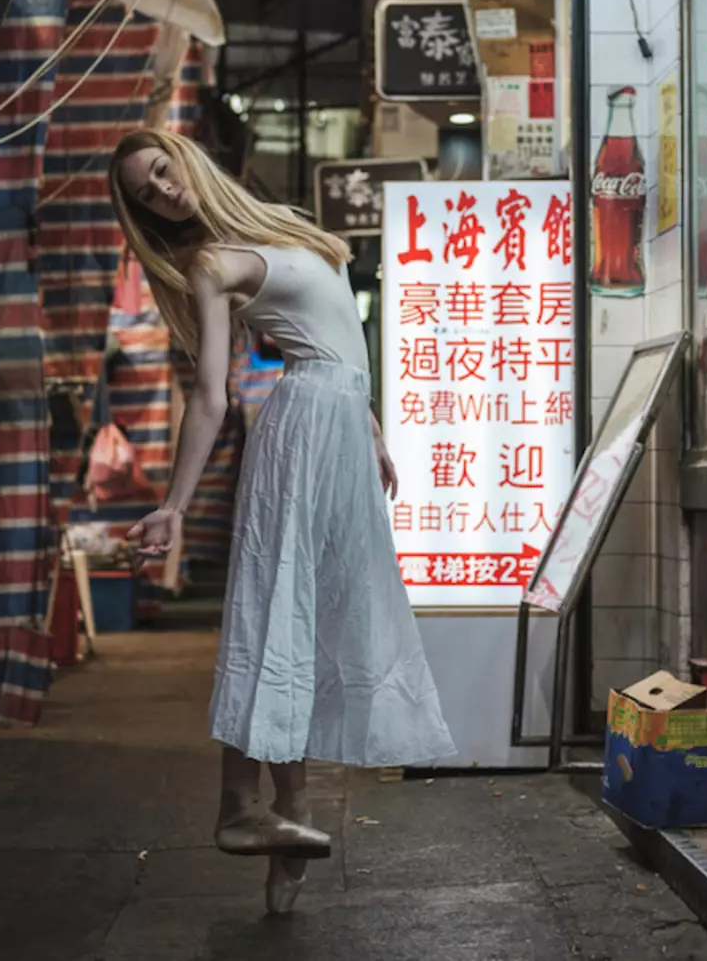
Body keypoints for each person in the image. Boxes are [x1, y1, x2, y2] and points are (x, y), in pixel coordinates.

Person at [108, 128, 455, 913]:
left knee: (322, 613)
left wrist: (368, 425)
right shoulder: (208, 264)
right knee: (278, 610)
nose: (164, 191)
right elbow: (210, 395)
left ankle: (285, 813)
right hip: (298, 429)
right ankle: (247, 805)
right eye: (146, 194)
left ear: (185, 154)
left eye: (162, 170)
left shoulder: (279, 225)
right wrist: (173, 503)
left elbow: (342, 337)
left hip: (339, 427)